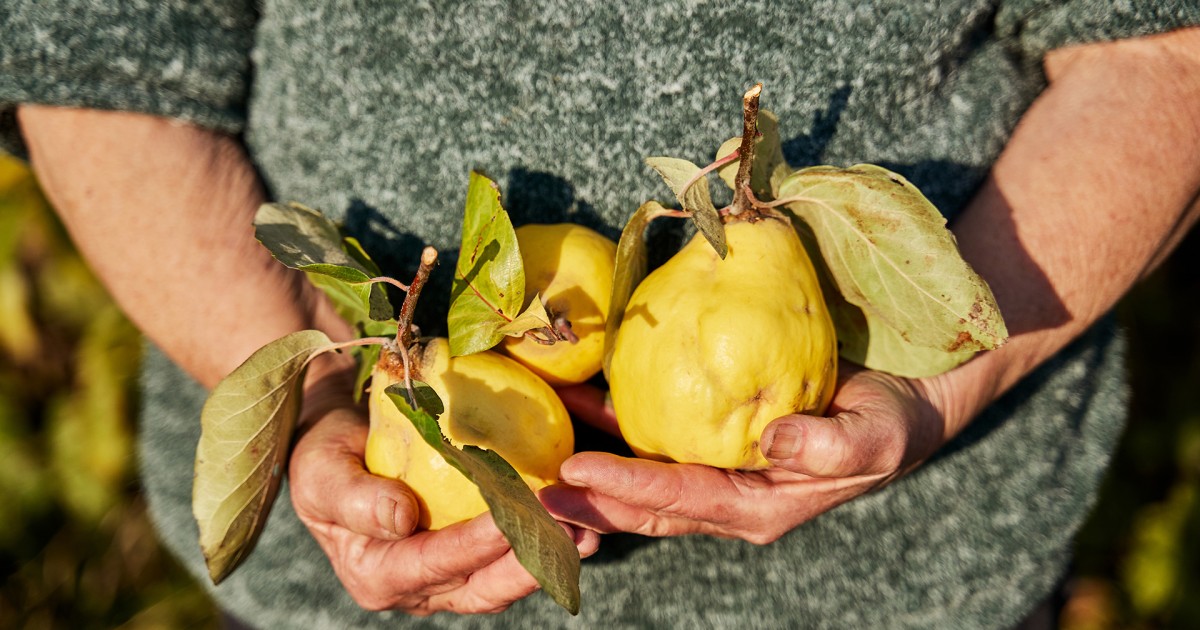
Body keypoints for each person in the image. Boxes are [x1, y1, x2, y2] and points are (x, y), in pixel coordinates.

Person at [3, 2, 1199, 627]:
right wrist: (319, 395)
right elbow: (99, 64)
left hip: (919, 588)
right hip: (346, 603)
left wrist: (942, 385)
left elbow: (1162, 55)